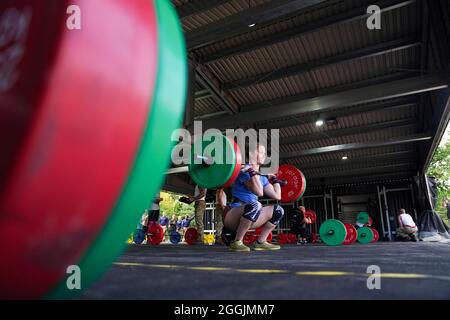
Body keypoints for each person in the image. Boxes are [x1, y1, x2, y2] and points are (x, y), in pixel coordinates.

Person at [224, 143, 285, 252]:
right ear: (252, 153)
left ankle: (261, 242)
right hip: (233, 215)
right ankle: (237, 242)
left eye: (265, 153)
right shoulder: (243, 171)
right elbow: (259, 192)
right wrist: (251, 171)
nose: (264, 155)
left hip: (252, 216)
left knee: (278, 210)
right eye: (261, 152)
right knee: (256, 205)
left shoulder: (261, 177)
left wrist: (275, 180)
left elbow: (277, 196)